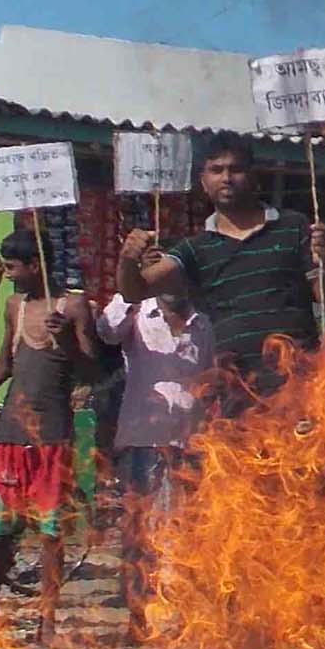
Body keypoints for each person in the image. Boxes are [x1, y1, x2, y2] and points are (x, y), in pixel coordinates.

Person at [129, 134, 325, 408]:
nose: (226, 177)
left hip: (299, 388)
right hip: (239, 396)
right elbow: (136, 290)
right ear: (203, 181)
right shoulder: (195, 249)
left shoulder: (293, 226)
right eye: (216, 170)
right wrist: (127, 259)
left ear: (253, 177)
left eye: (235, 169)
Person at [0, 229, 98, 648]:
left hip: (52, 437)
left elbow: (90, 370)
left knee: (50, 534)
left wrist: (66, 337)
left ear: (36, 265)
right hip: (10, 436)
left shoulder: (73, 306)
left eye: (14, 268)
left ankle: (46, 622)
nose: (10, 276)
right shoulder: (14, 306)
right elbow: (2, 366)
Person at [99, 226, 214, 607]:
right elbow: (105, 332)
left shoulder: (205, 322)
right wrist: (131, 275)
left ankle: (177, 607)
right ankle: (138, 610)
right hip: (142, 442)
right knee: (139, 529)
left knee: (184, 528)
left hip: (191, 442)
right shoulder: (136, 313)